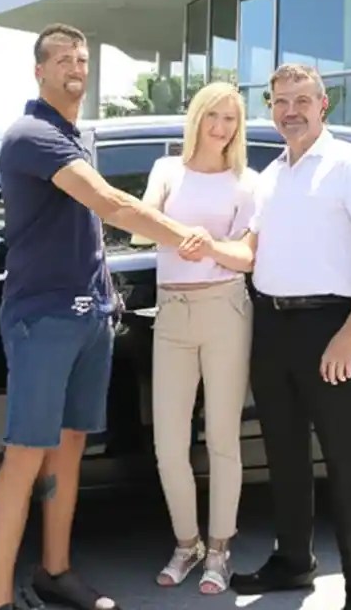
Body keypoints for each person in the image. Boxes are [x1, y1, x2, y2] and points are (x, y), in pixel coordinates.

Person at [0, 23, 212, 610]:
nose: (75, 67)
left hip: (91, 316)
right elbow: (107, 203)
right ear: (39, 71)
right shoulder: (31, 135)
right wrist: (183, 233)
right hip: (43, 318)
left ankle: (55, 572)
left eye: (82, 58)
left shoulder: (79, 133)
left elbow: (84, 228)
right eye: (62, 59)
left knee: (68, 448)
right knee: (24, 456)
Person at [184, 63, 351, 610]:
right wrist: (208, 246)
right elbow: (249, 253)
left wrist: (349, 335)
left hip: (329, 327)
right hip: (272, 325)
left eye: (302, 101)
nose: (291, 112)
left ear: (323, 103)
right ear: (270, 107)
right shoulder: (272, 175)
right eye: (281, 102)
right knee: (284, 455)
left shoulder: (350, 164)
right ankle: (293, 562)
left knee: (345, 463)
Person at [135, 81, 257, 595]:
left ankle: (220, 550)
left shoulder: (247, 182)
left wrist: (209, 245)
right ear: (197, 118)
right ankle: (187, 544)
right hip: (173, 313)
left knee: (223, 438)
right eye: (214, 116)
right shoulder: (167, 170)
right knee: (169, 444)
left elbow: (247, 256)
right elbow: (141, 228)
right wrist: (179, 236)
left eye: (231, 119)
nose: (222, 128)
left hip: (226, 308)